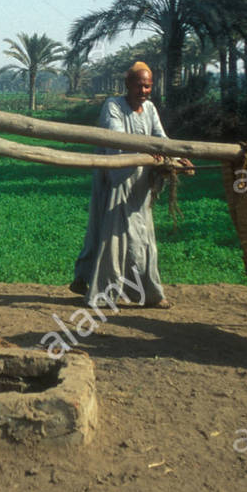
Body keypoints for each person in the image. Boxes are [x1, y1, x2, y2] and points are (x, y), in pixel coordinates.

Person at [70, 62, 191, 309]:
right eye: (139, 85)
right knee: (112, 238)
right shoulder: (113, 106)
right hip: (117, 181)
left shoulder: (149, 109)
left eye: (148, 86)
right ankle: (104, 293)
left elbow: (161, 138)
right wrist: (149, 150)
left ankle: (148, 292)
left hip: (140, 186)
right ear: (128, 85)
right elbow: (117, 137)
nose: (144, 90)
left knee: (142, 236)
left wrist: (178, 159)